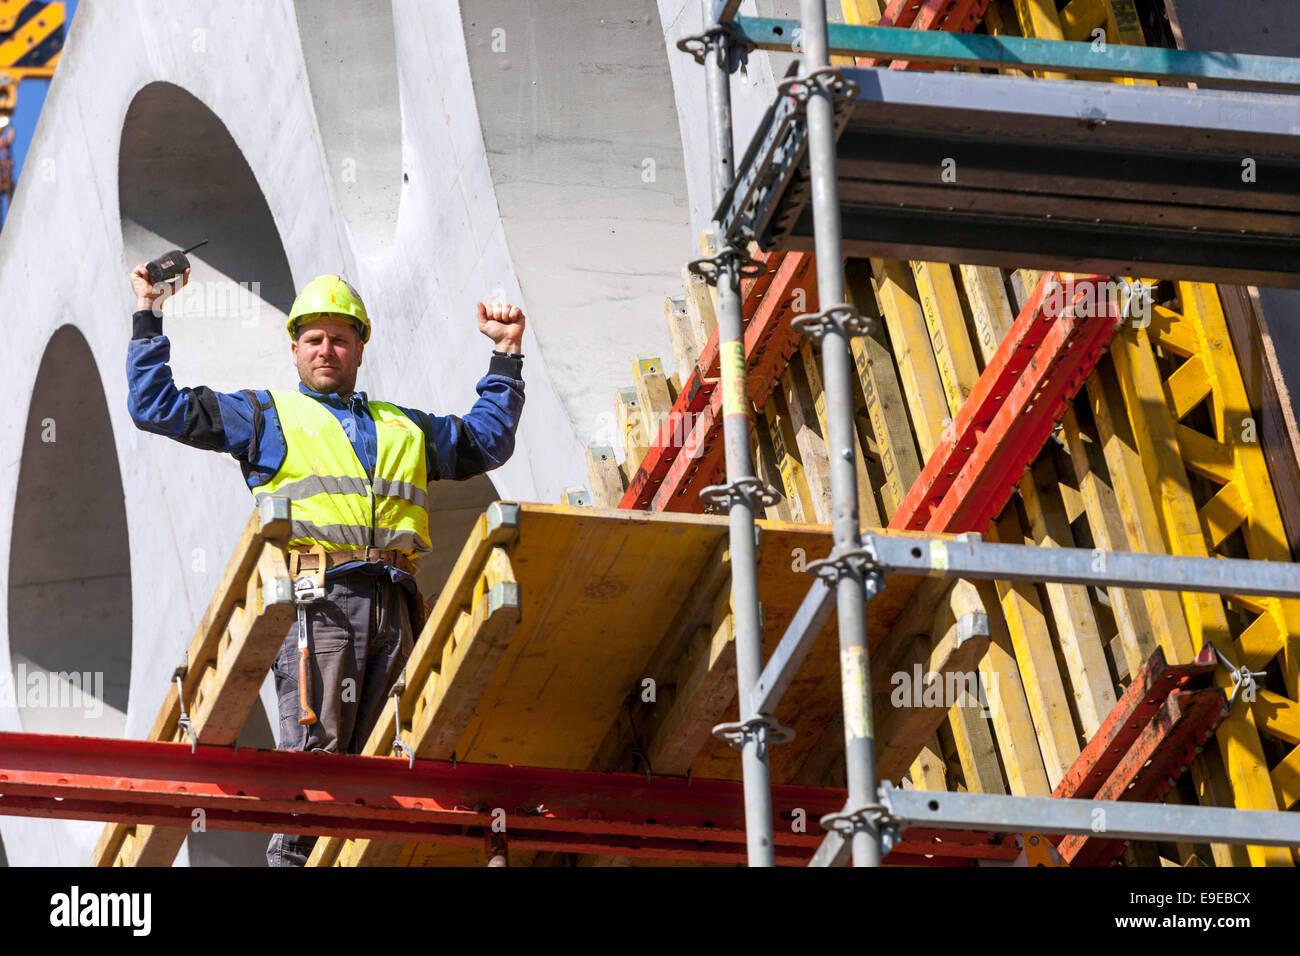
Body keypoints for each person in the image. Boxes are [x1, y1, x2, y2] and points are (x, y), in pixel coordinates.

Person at [126, 266, 525, 866]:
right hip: (320, 606)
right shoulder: (267, 418)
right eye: (313, 339)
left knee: (391, 772)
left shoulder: (403, 428)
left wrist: (505, 356)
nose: (326, 350)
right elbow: (155, 407)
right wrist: (148, 315)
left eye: (339, 338)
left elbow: (488, 441)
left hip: (397, 607)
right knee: (314, 770)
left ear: (360, 347)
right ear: (293, 350)